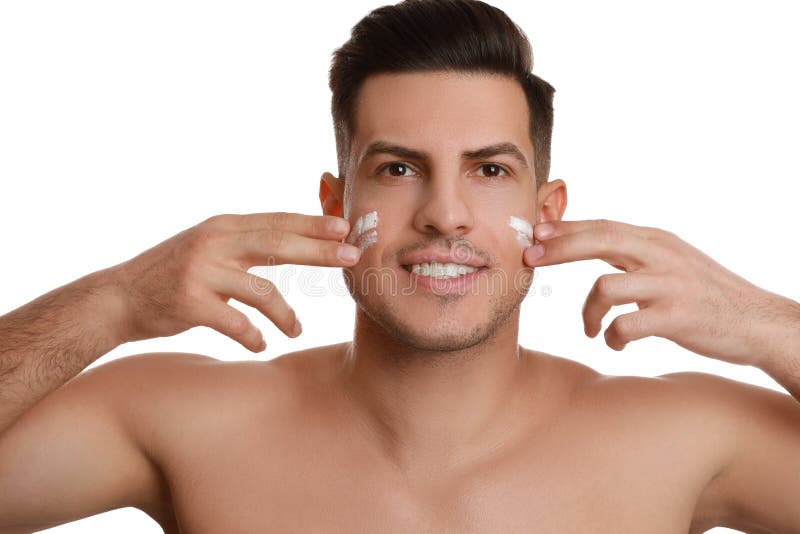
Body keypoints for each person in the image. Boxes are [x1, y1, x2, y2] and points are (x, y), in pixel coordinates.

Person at [2, 0, 800, 532]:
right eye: (397, 168)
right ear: (336, 202)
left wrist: (765, 326)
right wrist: (113, 301)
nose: (445, 214)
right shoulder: (183, 424)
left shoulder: (680, 441)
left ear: (548, 212)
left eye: (490, 170)